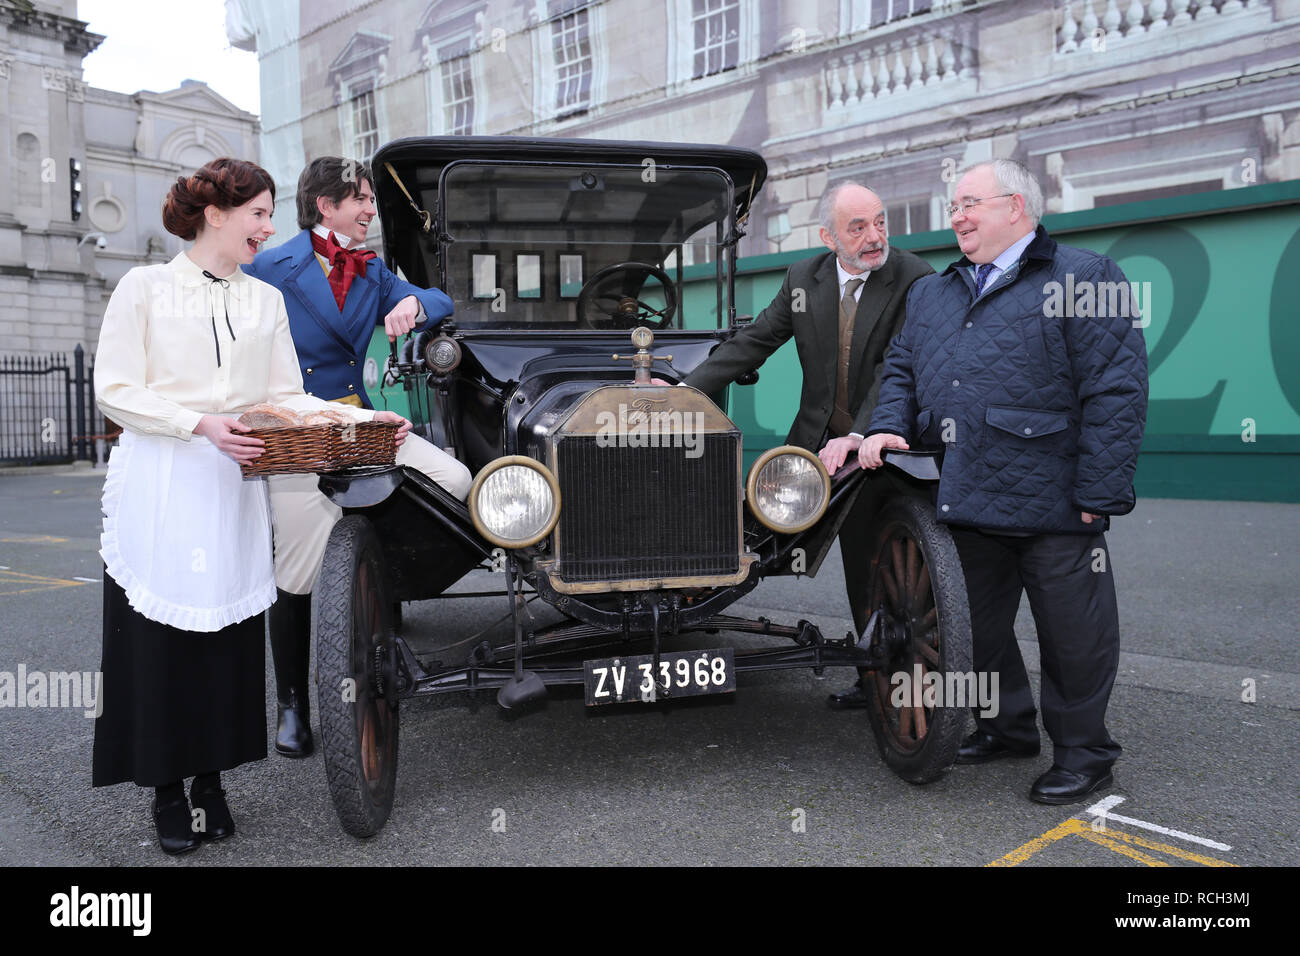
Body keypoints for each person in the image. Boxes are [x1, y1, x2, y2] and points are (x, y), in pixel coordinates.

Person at [91, 158, 412, 854]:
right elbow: (114, 388)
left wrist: (363, 423)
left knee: (223, 643)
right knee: (162, 644)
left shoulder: (263, 299)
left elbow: (284, 398)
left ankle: (210, 784)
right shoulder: (144, 287)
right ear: (215, 214)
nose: (270, 228)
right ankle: (167, 790)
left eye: (270, 214)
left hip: (231, 487)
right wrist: (199, 424)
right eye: (259, 214)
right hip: (165, 479)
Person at [857, 159, 1148, 804]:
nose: (955, 215)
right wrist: (886, 427)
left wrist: (1098, 497)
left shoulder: (1085, 276)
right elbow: (900, 368)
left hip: (1056, 499)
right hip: (963, 492)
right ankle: (1006, 728)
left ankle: (1085, 754)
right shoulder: (934, 291)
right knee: (975, 631)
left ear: (1016, 207)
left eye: (969, 203)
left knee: (1074, 637)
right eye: (952, 204)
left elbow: (1117, 392)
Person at [673, 181, 933, 708]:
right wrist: (684, 391)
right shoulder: (803, 278)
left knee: (872, 549)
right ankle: (868, 667)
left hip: (884, 439)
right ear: (828, 236)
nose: (874, 236)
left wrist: (860, 435)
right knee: (770, 538)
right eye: (857, 227)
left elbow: (895, 369)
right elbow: (756, 341)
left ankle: (880, 671)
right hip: (816, 441)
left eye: (880, 221)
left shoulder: (915, 278)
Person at [246, 157, 472, 758]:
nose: (371, 210)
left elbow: (441, 299)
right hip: (298, 427)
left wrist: (415, 308)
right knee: (295, 570)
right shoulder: (269, 266)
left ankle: (383, 587)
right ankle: (292, 704)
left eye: (370, 200)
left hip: (362, 419)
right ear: (327, 205)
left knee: (456, 478)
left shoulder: (372, 270)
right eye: (362, 200)